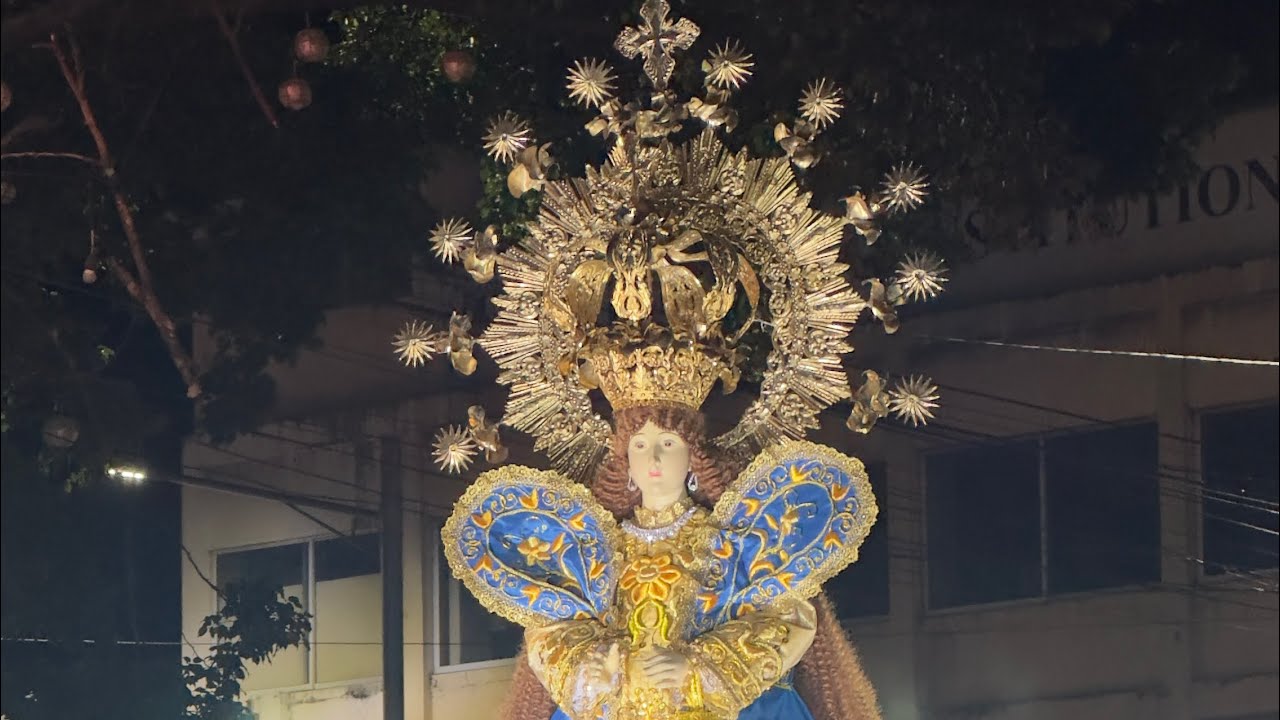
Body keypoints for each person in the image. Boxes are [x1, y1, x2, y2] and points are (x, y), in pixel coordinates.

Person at [445, 404, 882, 720]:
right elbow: (552, 626)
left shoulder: (729, 540)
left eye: (667, 443)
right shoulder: (597, 550)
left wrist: (696, 667)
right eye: (640, 444)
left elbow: (786, 615)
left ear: (694, 457)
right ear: (625, 460)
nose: (653, 458)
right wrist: (592, 665)